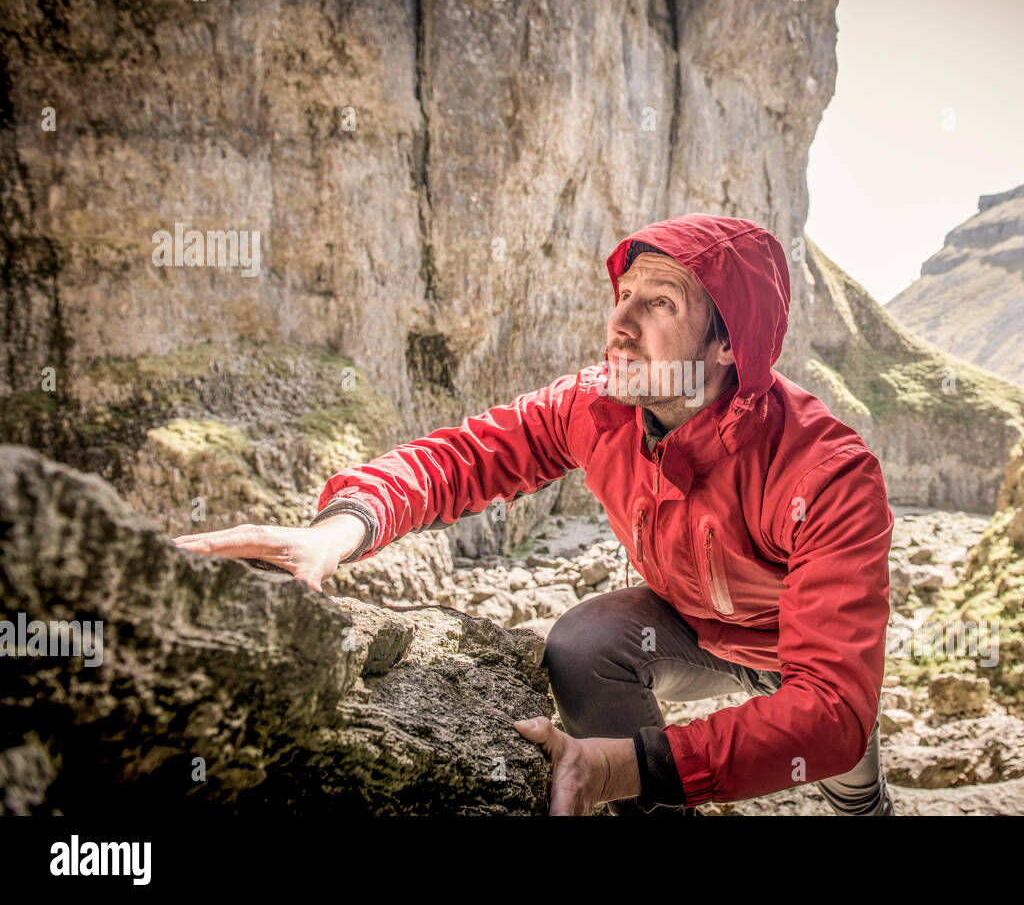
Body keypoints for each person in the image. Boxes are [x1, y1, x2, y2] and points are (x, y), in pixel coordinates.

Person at [174, 213, 895, 817]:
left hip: (796, 656)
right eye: (623, 295)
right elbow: (461, 460)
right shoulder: (596, 406)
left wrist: (621, 765)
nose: (619, 322)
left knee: (848, 774)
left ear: (729, 341)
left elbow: (831, 706)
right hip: (688, 631)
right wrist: (336, 530)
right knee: (582, 646)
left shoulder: (825, 470)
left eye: (660, 304)